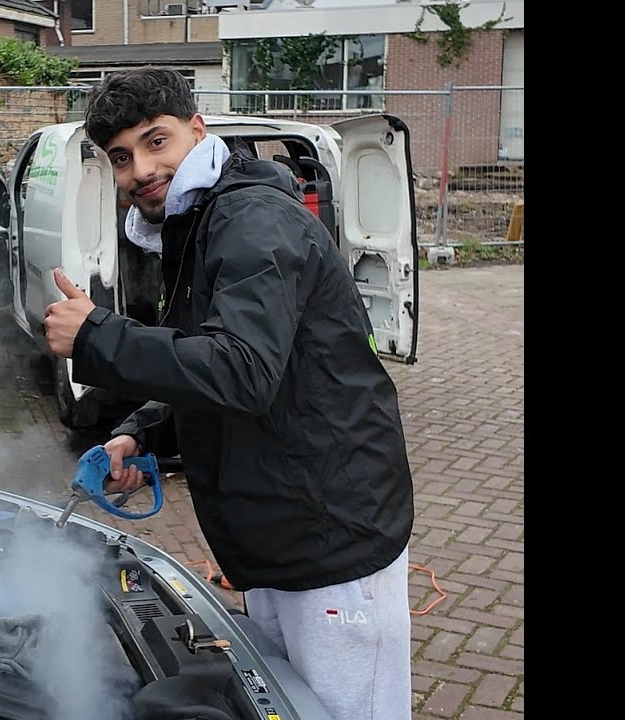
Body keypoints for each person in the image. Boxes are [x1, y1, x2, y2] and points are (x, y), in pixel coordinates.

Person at [42, 67, 416, 720]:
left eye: (156, 142)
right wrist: (143, 434)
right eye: (122, 158)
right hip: (277, 539)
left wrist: (96, 337)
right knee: (292, 705)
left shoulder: (250, 222)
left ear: (197, 130)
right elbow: (205, 357)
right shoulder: (196, 225)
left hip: (332, 542)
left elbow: (241, 370)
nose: (141, 170)